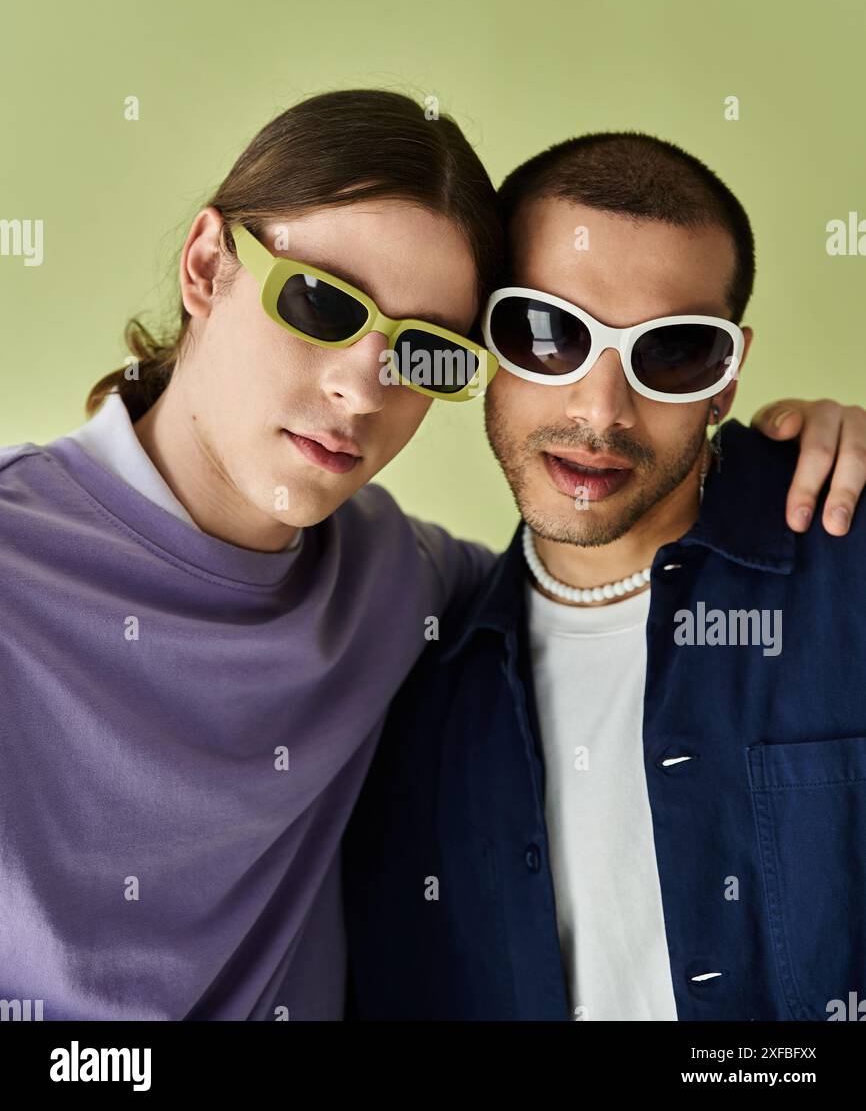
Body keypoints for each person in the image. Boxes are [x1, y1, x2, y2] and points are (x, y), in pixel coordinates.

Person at [0, 95, 860, 1021]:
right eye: (322, 303)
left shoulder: (406, 591)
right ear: (207, 266)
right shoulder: (22, 565)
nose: (358, 386)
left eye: (424, 351)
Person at [342, 129, 866, 1023]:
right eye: (548, 335)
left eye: (672, 354)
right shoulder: (415, 685)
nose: (601, 411)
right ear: (482, 346)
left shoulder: (847, 564)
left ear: (726, 382)